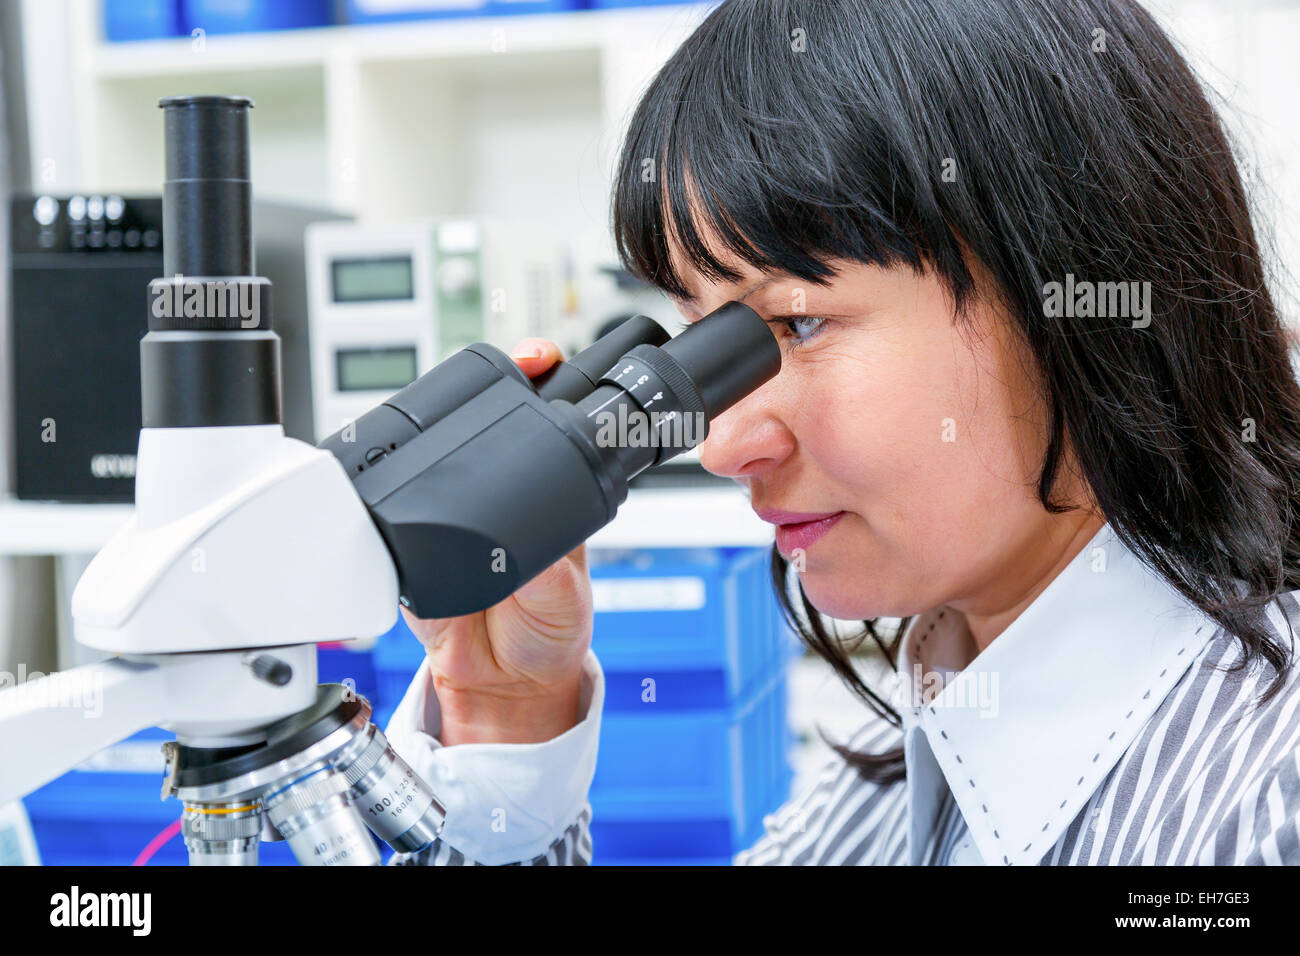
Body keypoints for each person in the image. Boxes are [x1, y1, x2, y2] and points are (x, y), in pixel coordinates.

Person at [382, 0, 1300, 865]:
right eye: (701, 338)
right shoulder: (897, 763)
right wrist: (506, 724)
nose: (722, 446)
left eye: (799, 322)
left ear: (1073, 290)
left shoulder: (1261, 814)